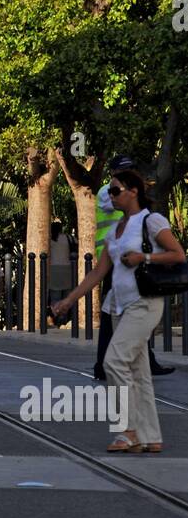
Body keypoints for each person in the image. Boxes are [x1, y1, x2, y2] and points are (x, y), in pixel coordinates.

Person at [52, 169, 186, 453]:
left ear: (133, 191)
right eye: (109, 192)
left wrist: (144, 256)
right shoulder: (115, 230)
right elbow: (98, 273)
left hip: (144, 302)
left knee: (113, 361)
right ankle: (150, 437)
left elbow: (178, 254)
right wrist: (68, 301)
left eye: (115, 191)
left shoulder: (151, 221)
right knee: (138, 372)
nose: (110, 196)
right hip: (119, 306)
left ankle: (129, 430)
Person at [94, 156, 174, 379]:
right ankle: (105, 364)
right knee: (114, 314)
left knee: (133, 311)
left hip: (129, 260)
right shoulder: (107, 192)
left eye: (131, 170)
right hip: (113, 261)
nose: (128, 174)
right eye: (123, 171)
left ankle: (144, 361)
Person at [48, 220, 75, 304]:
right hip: (67, 269)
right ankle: (64, 316)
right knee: (66, 297)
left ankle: (56, 314)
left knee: (55, 298)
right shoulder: (68, 237)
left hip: (54, 269)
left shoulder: (49, 240)